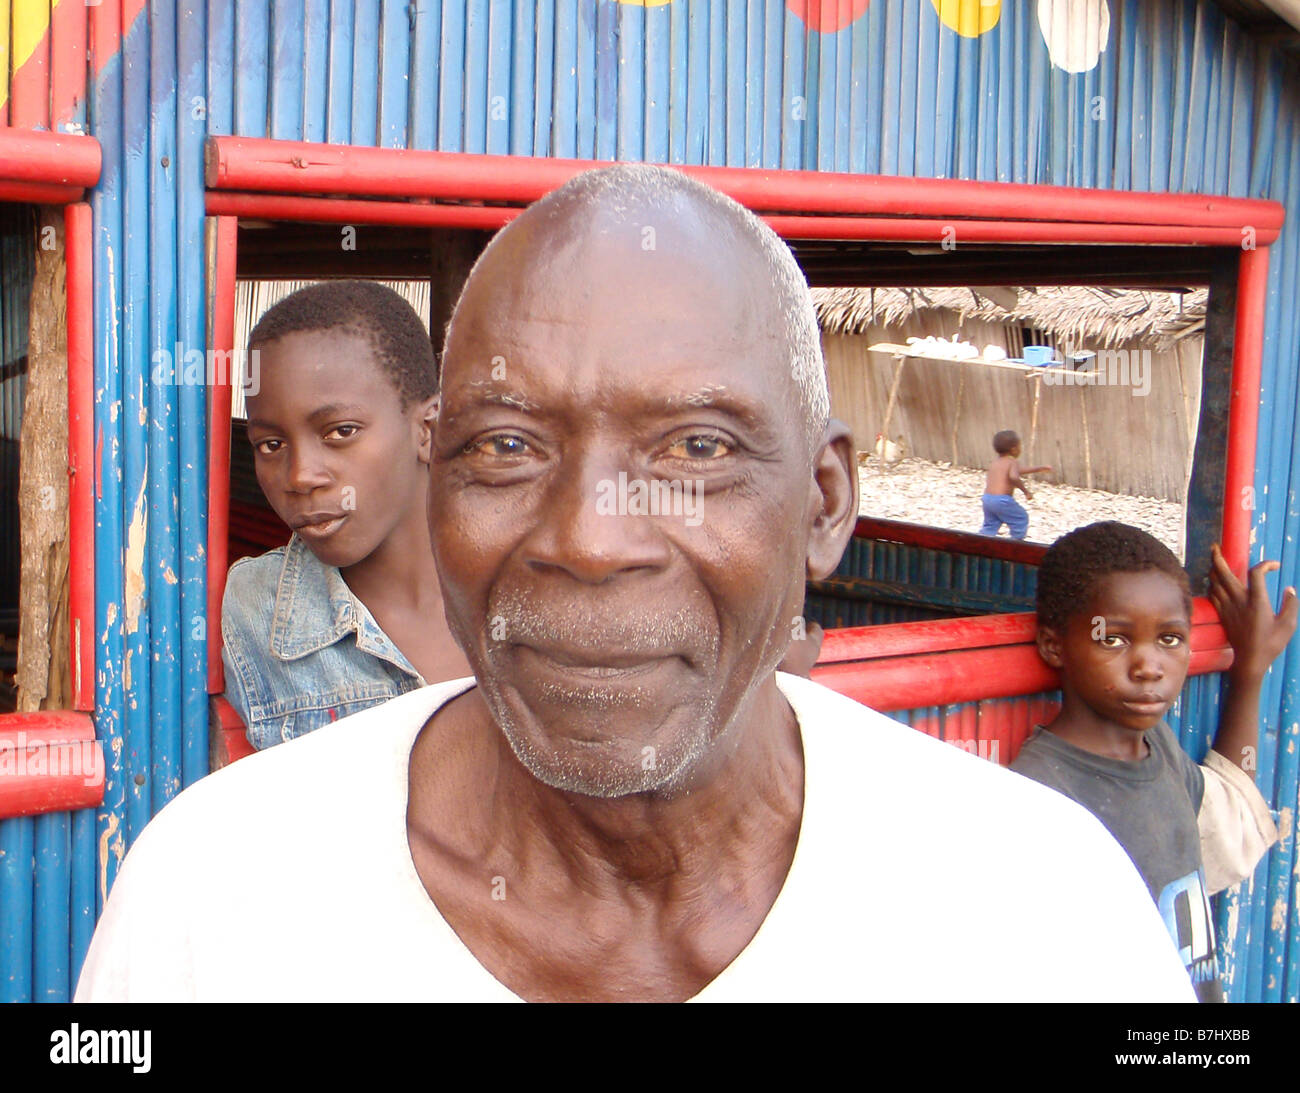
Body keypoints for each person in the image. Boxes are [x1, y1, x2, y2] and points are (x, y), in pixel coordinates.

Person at [77, 167, 1194, 1002]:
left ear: (822, 503)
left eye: (697, 449)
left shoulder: (1046, 916)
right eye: (506, 447)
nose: (591, 540)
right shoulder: (209, 900)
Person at [1011, 522, 1296, 1002]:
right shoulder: (1043, 792)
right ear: (1053, 645)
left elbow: (1228, 815)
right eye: (1115, 639)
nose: (1149, 665)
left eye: (1169, 639)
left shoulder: (1155, 745)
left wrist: (1250, 669)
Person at [220, 281, 470, 749]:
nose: (300, 476)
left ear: (428, 429)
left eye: (340, 431)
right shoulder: (250, 610)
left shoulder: (534, 588)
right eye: (271, 445)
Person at [979, 429, 1049, 540]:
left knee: (991, 525)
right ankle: (1016, 544)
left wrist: (1038, 468)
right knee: (1021, 518)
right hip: (1002, 500)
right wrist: (1026, 492)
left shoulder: (996, 462)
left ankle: (981, 543)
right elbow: (1014, 476)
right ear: (1014, 449)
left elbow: (1017, 471)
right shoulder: (1012, 462)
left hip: (987, 499)